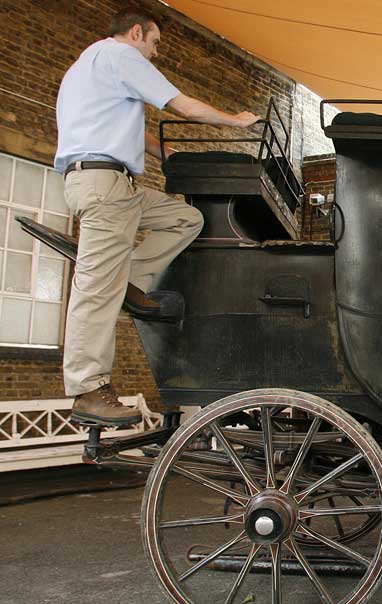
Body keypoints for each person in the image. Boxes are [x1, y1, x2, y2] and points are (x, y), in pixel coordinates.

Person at [55, 7, 260, 427]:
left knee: (186, 218)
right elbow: (183, 106)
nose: (156, 52)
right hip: (104, 186)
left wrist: (170, 155)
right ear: (137, 32)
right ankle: (88, 389)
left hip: (114, 185)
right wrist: (235, 121)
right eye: (155, 43)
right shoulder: (121, 55)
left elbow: (129, 131)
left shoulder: (90, 64)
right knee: (96, 290)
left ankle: (132, 280)